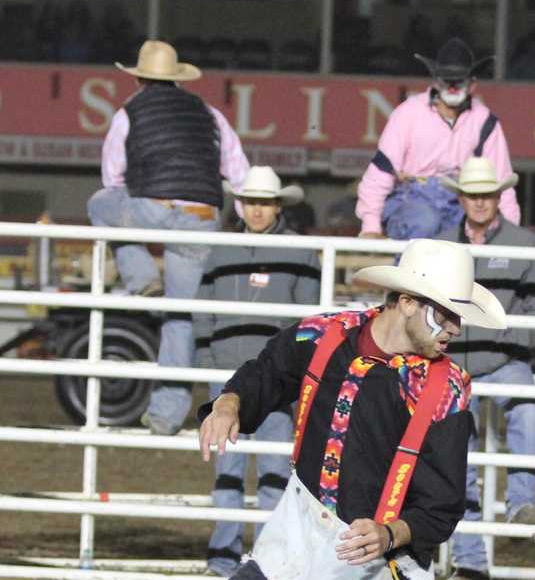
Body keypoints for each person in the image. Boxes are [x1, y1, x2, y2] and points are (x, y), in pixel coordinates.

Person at [198, 239, 507, 580]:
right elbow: (268, 370)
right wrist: (230, 402)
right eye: (444, 314)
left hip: (381, 563)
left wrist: (390, 533)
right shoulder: (325, 335)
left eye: (457, 316)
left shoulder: (445, 390)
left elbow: (442, 503)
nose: (455, 328)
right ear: (405, 302)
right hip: (295, 540)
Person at [87, 39, 249, 436]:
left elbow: (113, 176)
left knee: (101, 205)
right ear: (178, 79)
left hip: (151, 205)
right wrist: (246, 223)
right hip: (200, 216)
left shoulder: (129, 112)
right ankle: (165, 415)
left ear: (139, 77)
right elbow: (238, 170)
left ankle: (140, 278)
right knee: (182, 318)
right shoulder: (209, 113)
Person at [433, 157, 535, 580]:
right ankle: (470, 561)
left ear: (499, 196)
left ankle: (521, 504)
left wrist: (510, 342)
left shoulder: (524, 243)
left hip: (505, 362)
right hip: (452, 365)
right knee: (456, 458)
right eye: (473, 194)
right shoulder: (441, 244)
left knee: (529, 410)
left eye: (487, 194)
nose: (480, 201)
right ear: (462, 198)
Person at [194, 166, 321, 577]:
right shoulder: (221, 249)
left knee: (274, 469)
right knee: (228, 469)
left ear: (277, 205)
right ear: (241, 204)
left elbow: (309, 320)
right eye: (251, 202)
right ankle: (224, 556)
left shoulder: (300, 252)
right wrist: (210, 362)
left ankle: (268, 559)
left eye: (265, 203)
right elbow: (204, 310)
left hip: (277, 380)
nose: (258, 210)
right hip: (229, 371)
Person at [356, 38, 520, 242]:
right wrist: (370, 225)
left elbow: (500, 180)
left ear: (472, 85)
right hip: (409, 200)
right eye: (446, 80)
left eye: (458, 81)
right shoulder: (408, 113)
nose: (452, 87)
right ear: (435, 81)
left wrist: (513, 232)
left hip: (461, 202)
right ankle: (410, 273)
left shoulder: (485, 121)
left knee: (477, 230)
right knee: (426, 221)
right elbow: (381, 172)